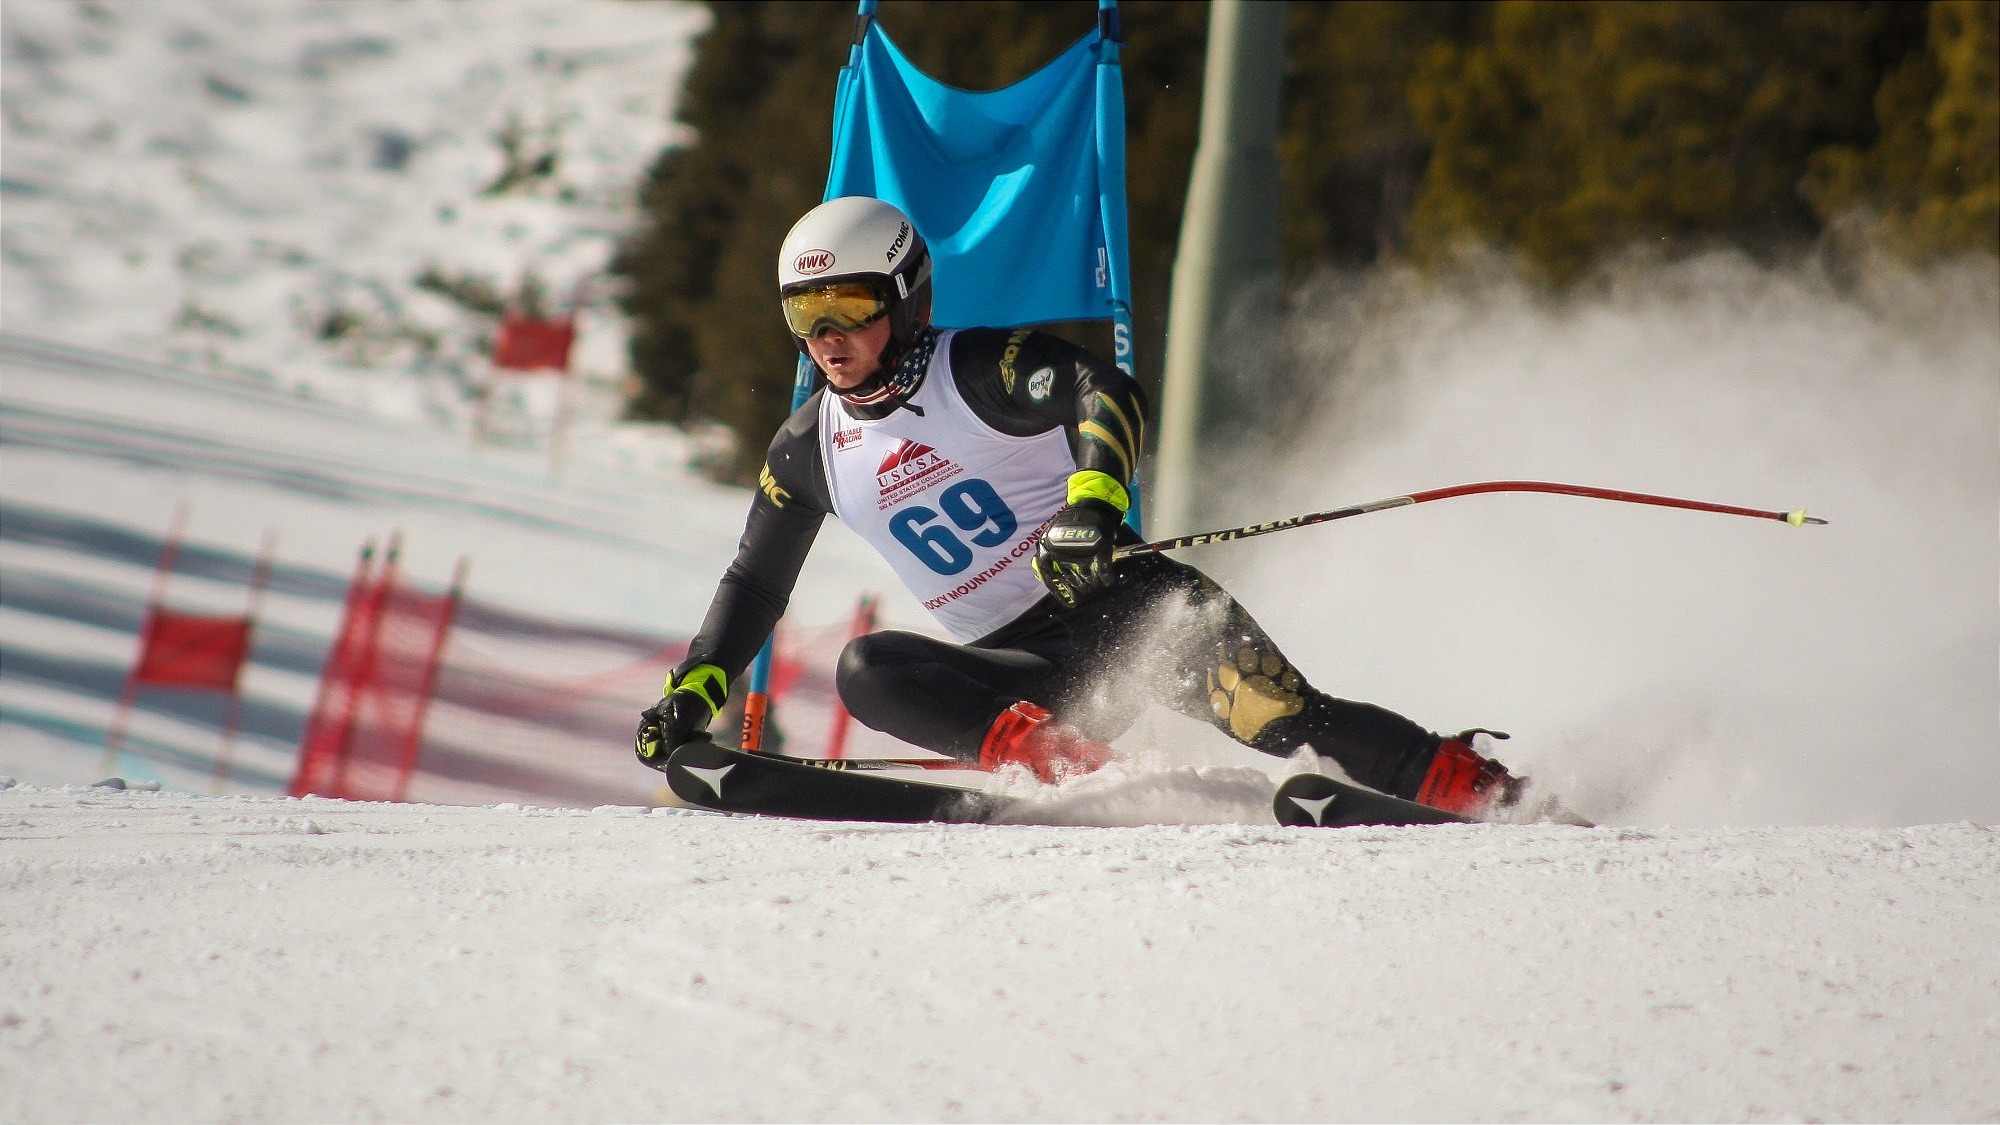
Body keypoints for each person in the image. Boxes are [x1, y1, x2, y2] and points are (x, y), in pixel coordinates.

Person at [636, 196, 1524, 817]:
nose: (827, 337)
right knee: (867, 668)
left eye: (849, 304)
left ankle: (1477, 789)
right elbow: (756, 580)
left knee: (1277, 715)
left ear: (905, 298)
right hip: (1031, 676)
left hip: (1129, 608)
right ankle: (1066, 768)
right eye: (804, 314)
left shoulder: (978, 368)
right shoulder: (807, 449)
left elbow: (1106, 390)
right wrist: (696, 685)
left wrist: (1092, 505)